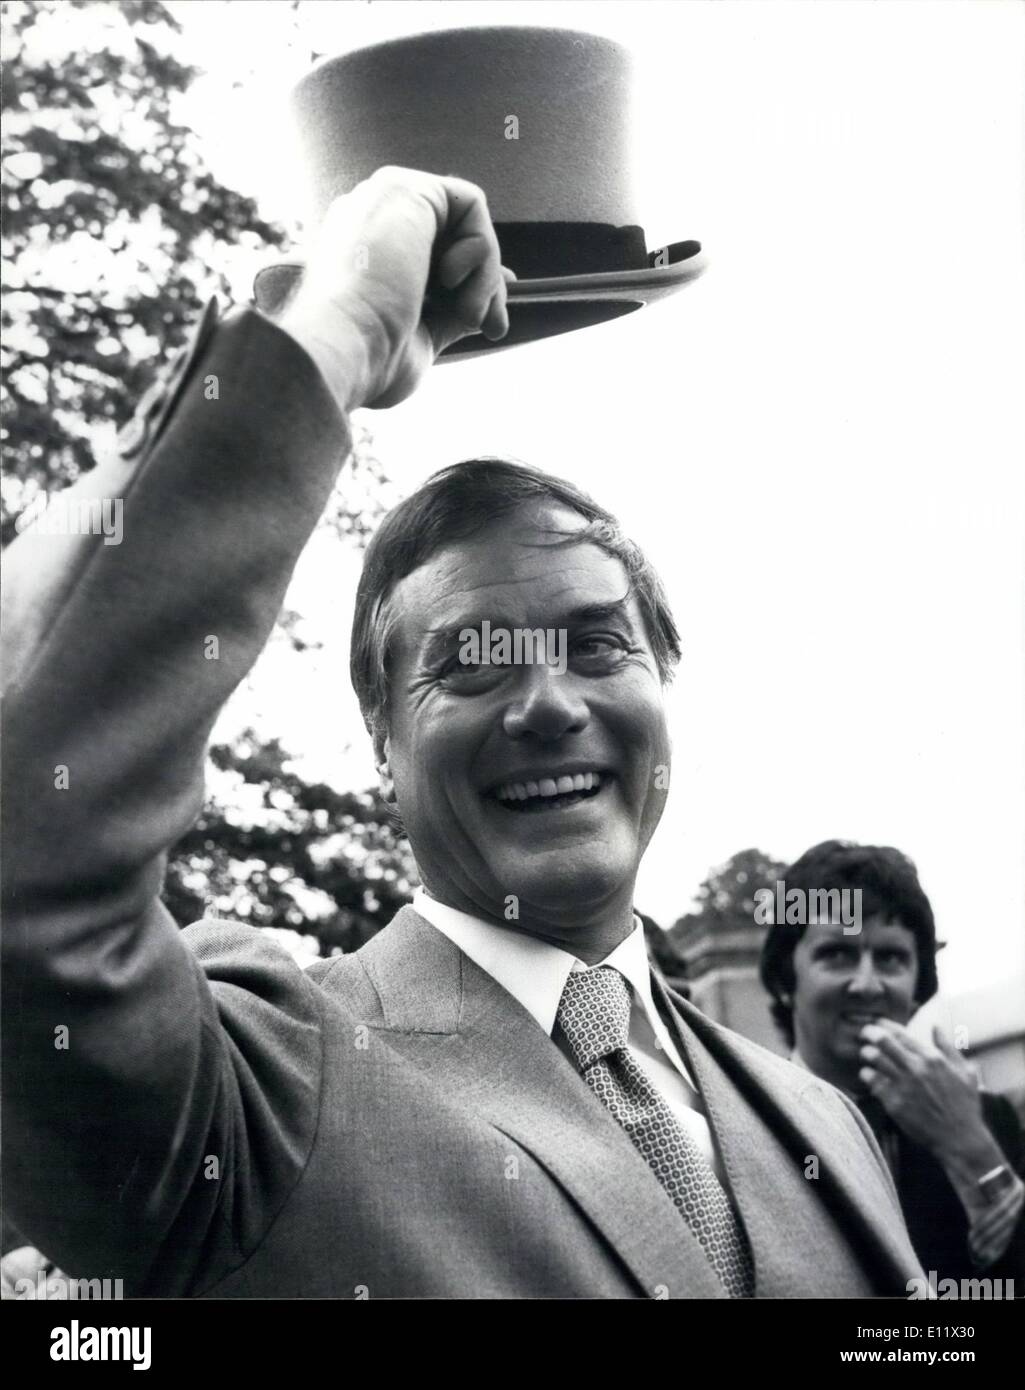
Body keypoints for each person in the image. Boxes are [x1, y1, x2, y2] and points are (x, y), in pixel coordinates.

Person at [3, 168, 923, 1298]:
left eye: (597, 646)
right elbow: (24, 866)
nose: (547, 703)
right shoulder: (255, 1089)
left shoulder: (823, 1127)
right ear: (380, 737)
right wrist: (331, 331)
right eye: (470, 663)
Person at [759, 839, 1025, 1285]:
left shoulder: (986, 1121)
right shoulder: (743, 1121)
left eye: (890, 958)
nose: (867, 984)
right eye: (836, 954)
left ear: (918, 983)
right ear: (788, 978)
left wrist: (970, 1148)